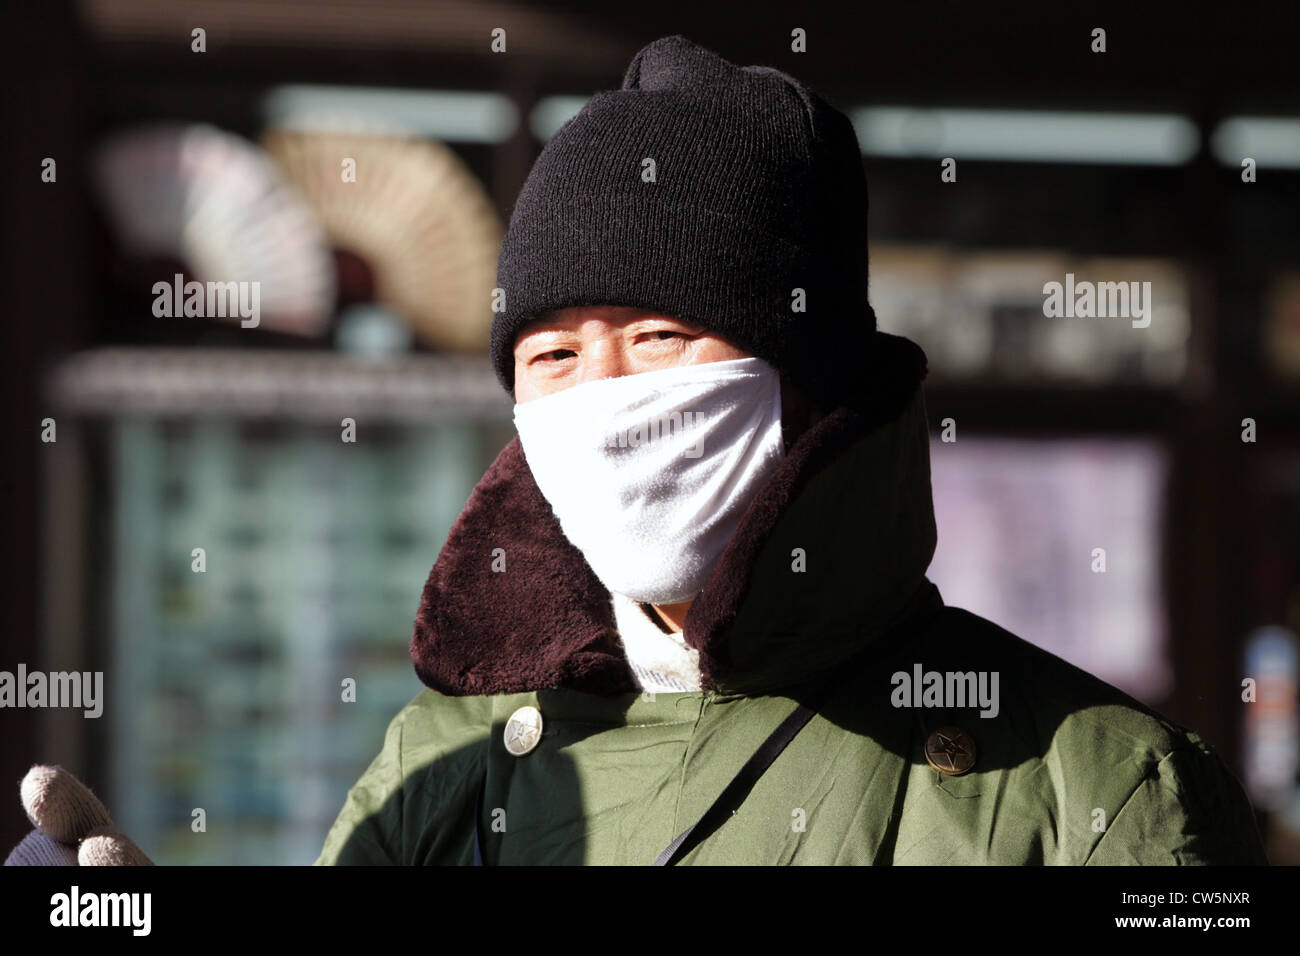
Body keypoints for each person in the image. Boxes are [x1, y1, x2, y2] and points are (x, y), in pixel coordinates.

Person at [6, 35, 1268, 867]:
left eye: (659, 335)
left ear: (809, 379)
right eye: (550, 357)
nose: (601, 397)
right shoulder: (437, 769)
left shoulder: (1090, 782)